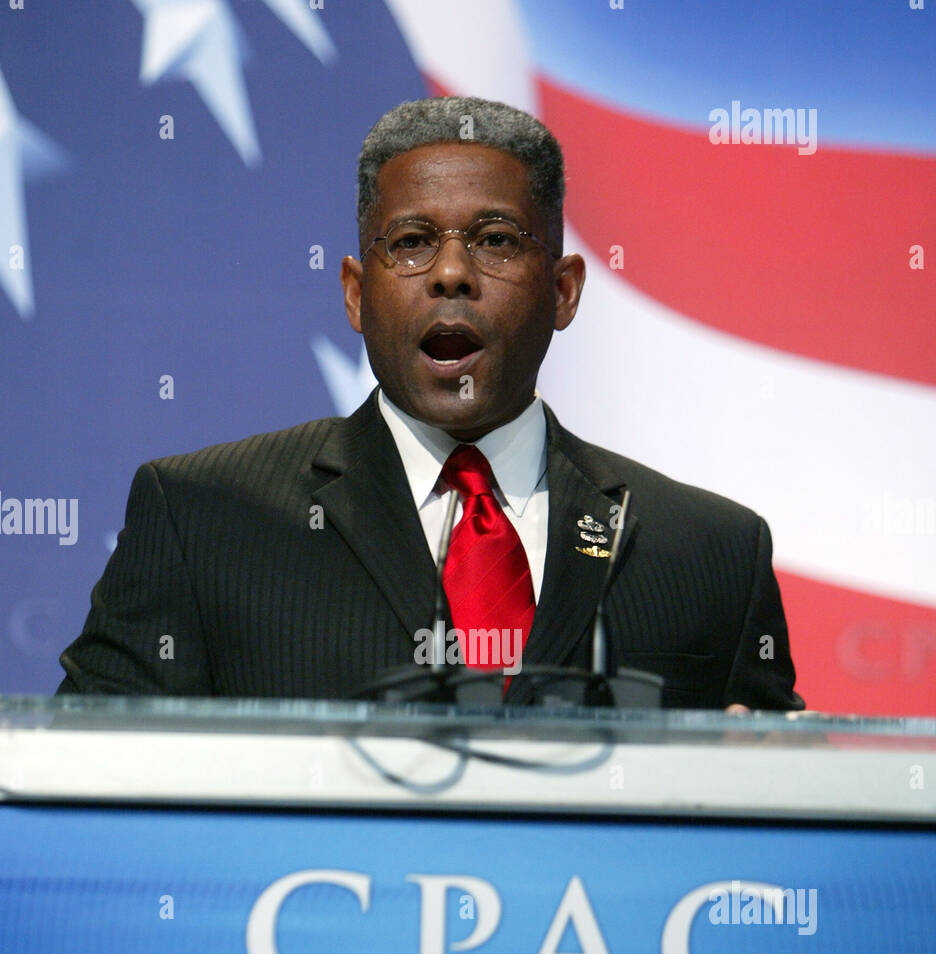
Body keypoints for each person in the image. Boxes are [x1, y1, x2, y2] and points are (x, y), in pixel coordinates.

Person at [55, 96, 803, 712]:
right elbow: (81, 794)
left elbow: (787, 819)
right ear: (355, 292)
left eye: (496, 241)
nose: (450, 273)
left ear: (565, 289)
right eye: (411, 242)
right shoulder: (203, 521)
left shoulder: (712, 553)